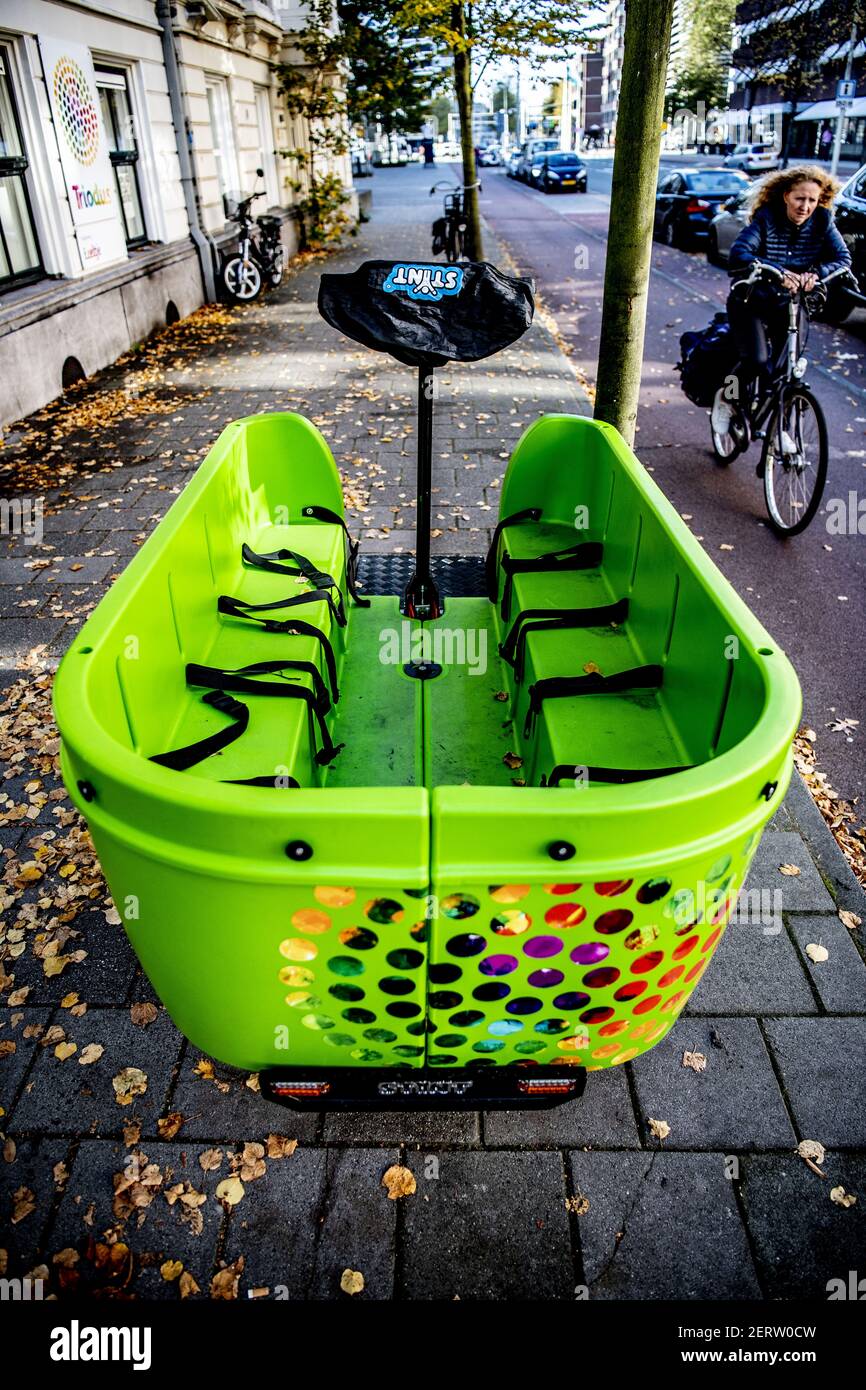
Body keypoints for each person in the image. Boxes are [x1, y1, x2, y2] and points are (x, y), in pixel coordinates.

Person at [712, 165, 851, 437]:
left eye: (812, 200)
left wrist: (816, 274)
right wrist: (777, 273)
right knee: (754, 360)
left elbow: (842, 259)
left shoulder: (822, 221)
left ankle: (782, 428)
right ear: (786, 196)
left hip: (790, 305)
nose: (805, 206)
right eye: (800, 198)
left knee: (788, 369)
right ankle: (727, 397)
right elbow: (740, 253)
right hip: (751, 301)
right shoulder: (766, 218)